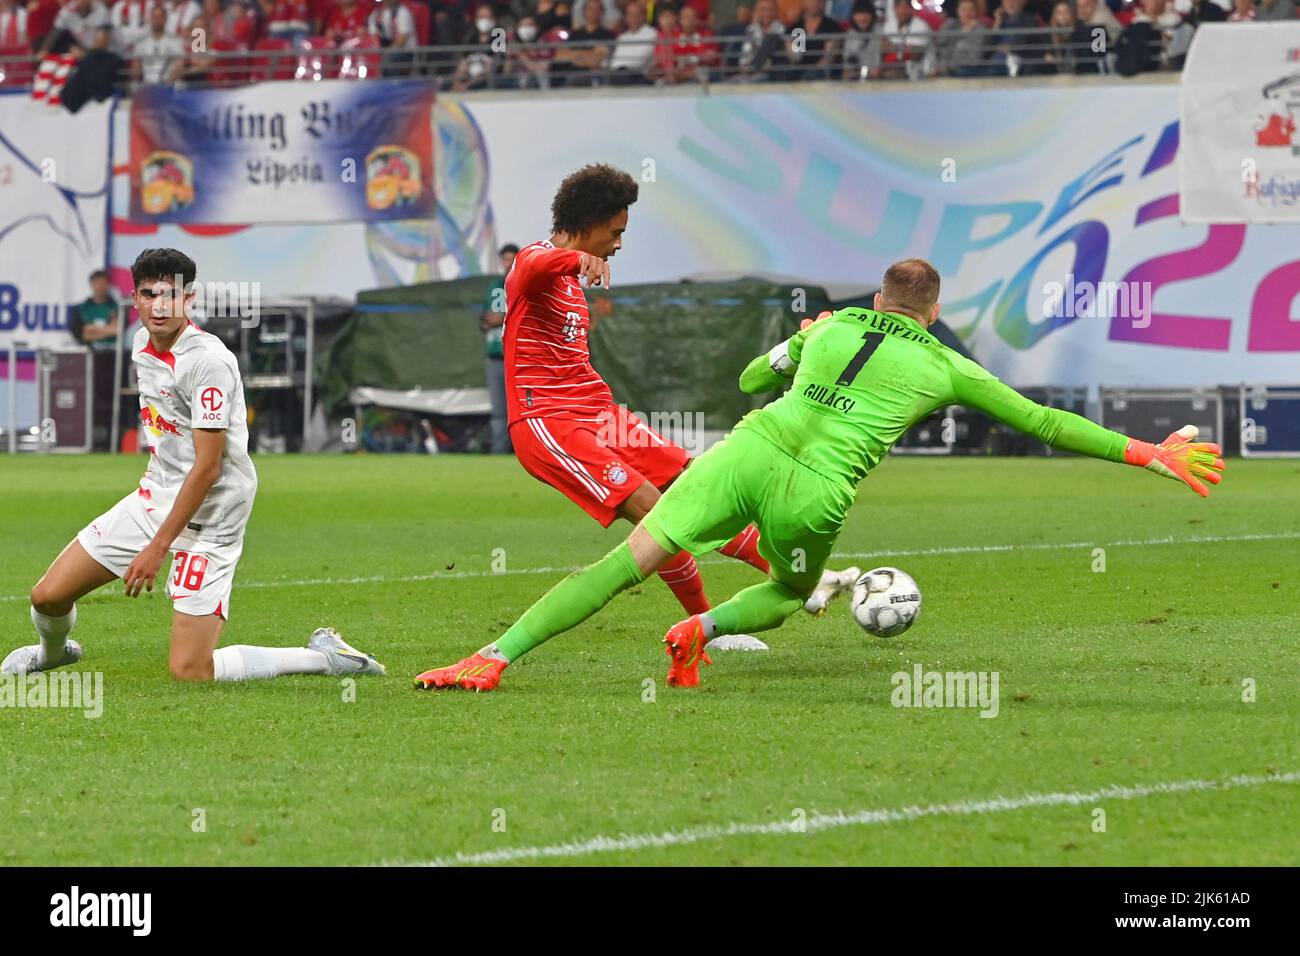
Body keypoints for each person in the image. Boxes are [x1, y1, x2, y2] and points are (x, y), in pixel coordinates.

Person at [416, 258, 1226, 692]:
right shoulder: (947, 365)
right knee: (780, 590)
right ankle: (697, 632)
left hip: (747, 449)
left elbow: (745, 383)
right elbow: (1047, 424)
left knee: (627, 563)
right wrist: (1147, 452)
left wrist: (794, 345)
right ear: (932, 312)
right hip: (814, 492)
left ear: (878, 296)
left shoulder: (832, 324)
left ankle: (492, 657)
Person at [2, 249, 386, 683]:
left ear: (189, 299)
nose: (160, 305)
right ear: (136, 300)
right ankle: (52, 653)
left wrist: (158, 547)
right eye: (150, 295)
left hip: (212, 513)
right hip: (155, 498)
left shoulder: (208, 362)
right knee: (47, 596)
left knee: (190, 671)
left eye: (171, 295)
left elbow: (207, 468)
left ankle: (323, 656)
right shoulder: (141, 344)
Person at [452, 164, 775, 662]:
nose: (620, 243)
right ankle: (711, 626)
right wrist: (574, 258)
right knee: (659, 511)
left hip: (598, 413)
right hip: (549, 423)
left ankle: (789, 577)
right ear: (590, 221)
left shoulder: (573, 281)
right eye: (617, 231)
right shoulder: (535, 263)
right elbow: (536, 267)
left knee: (694, 487)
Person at [71, 269, 121, 451]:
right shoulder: (82, 308)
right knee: (87, 399)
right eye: (97, 282)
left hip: (112, 359)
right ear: (91, 284)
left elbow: (117, 330)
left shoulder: (115, 307)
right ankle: (87, 438)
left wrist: (94, 330)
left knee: (110, 400)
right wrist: (105, 330)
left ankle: (110, 440)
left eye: (104, 282)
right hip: (89, 359)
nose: (100, 286)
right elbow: (82, 333)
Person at [481, 243, 518, 454]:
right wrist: (486, 321)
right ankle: (499, 453)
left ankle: (523, 452)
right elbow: (481, 318)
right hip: (495, 357)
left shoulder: (524, 283)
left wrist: (502, 318)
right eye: (504, 259)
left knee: (521, 409)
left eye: (512, 259)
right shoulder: (494, 286)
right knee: (498, 412)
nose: (508, 263)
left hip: (517, 358)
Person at [131, 4, 185, 84]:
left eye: (160, 17)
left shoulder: (175, 41)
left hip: (169, 85)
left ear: (165, 19)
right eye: (154, 17)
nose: (157, 20)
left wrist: (168, 83)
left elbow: (180, 66)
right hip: (148, 86)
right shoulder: (141, 42)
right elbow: (136, 68)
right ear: (150, 19)